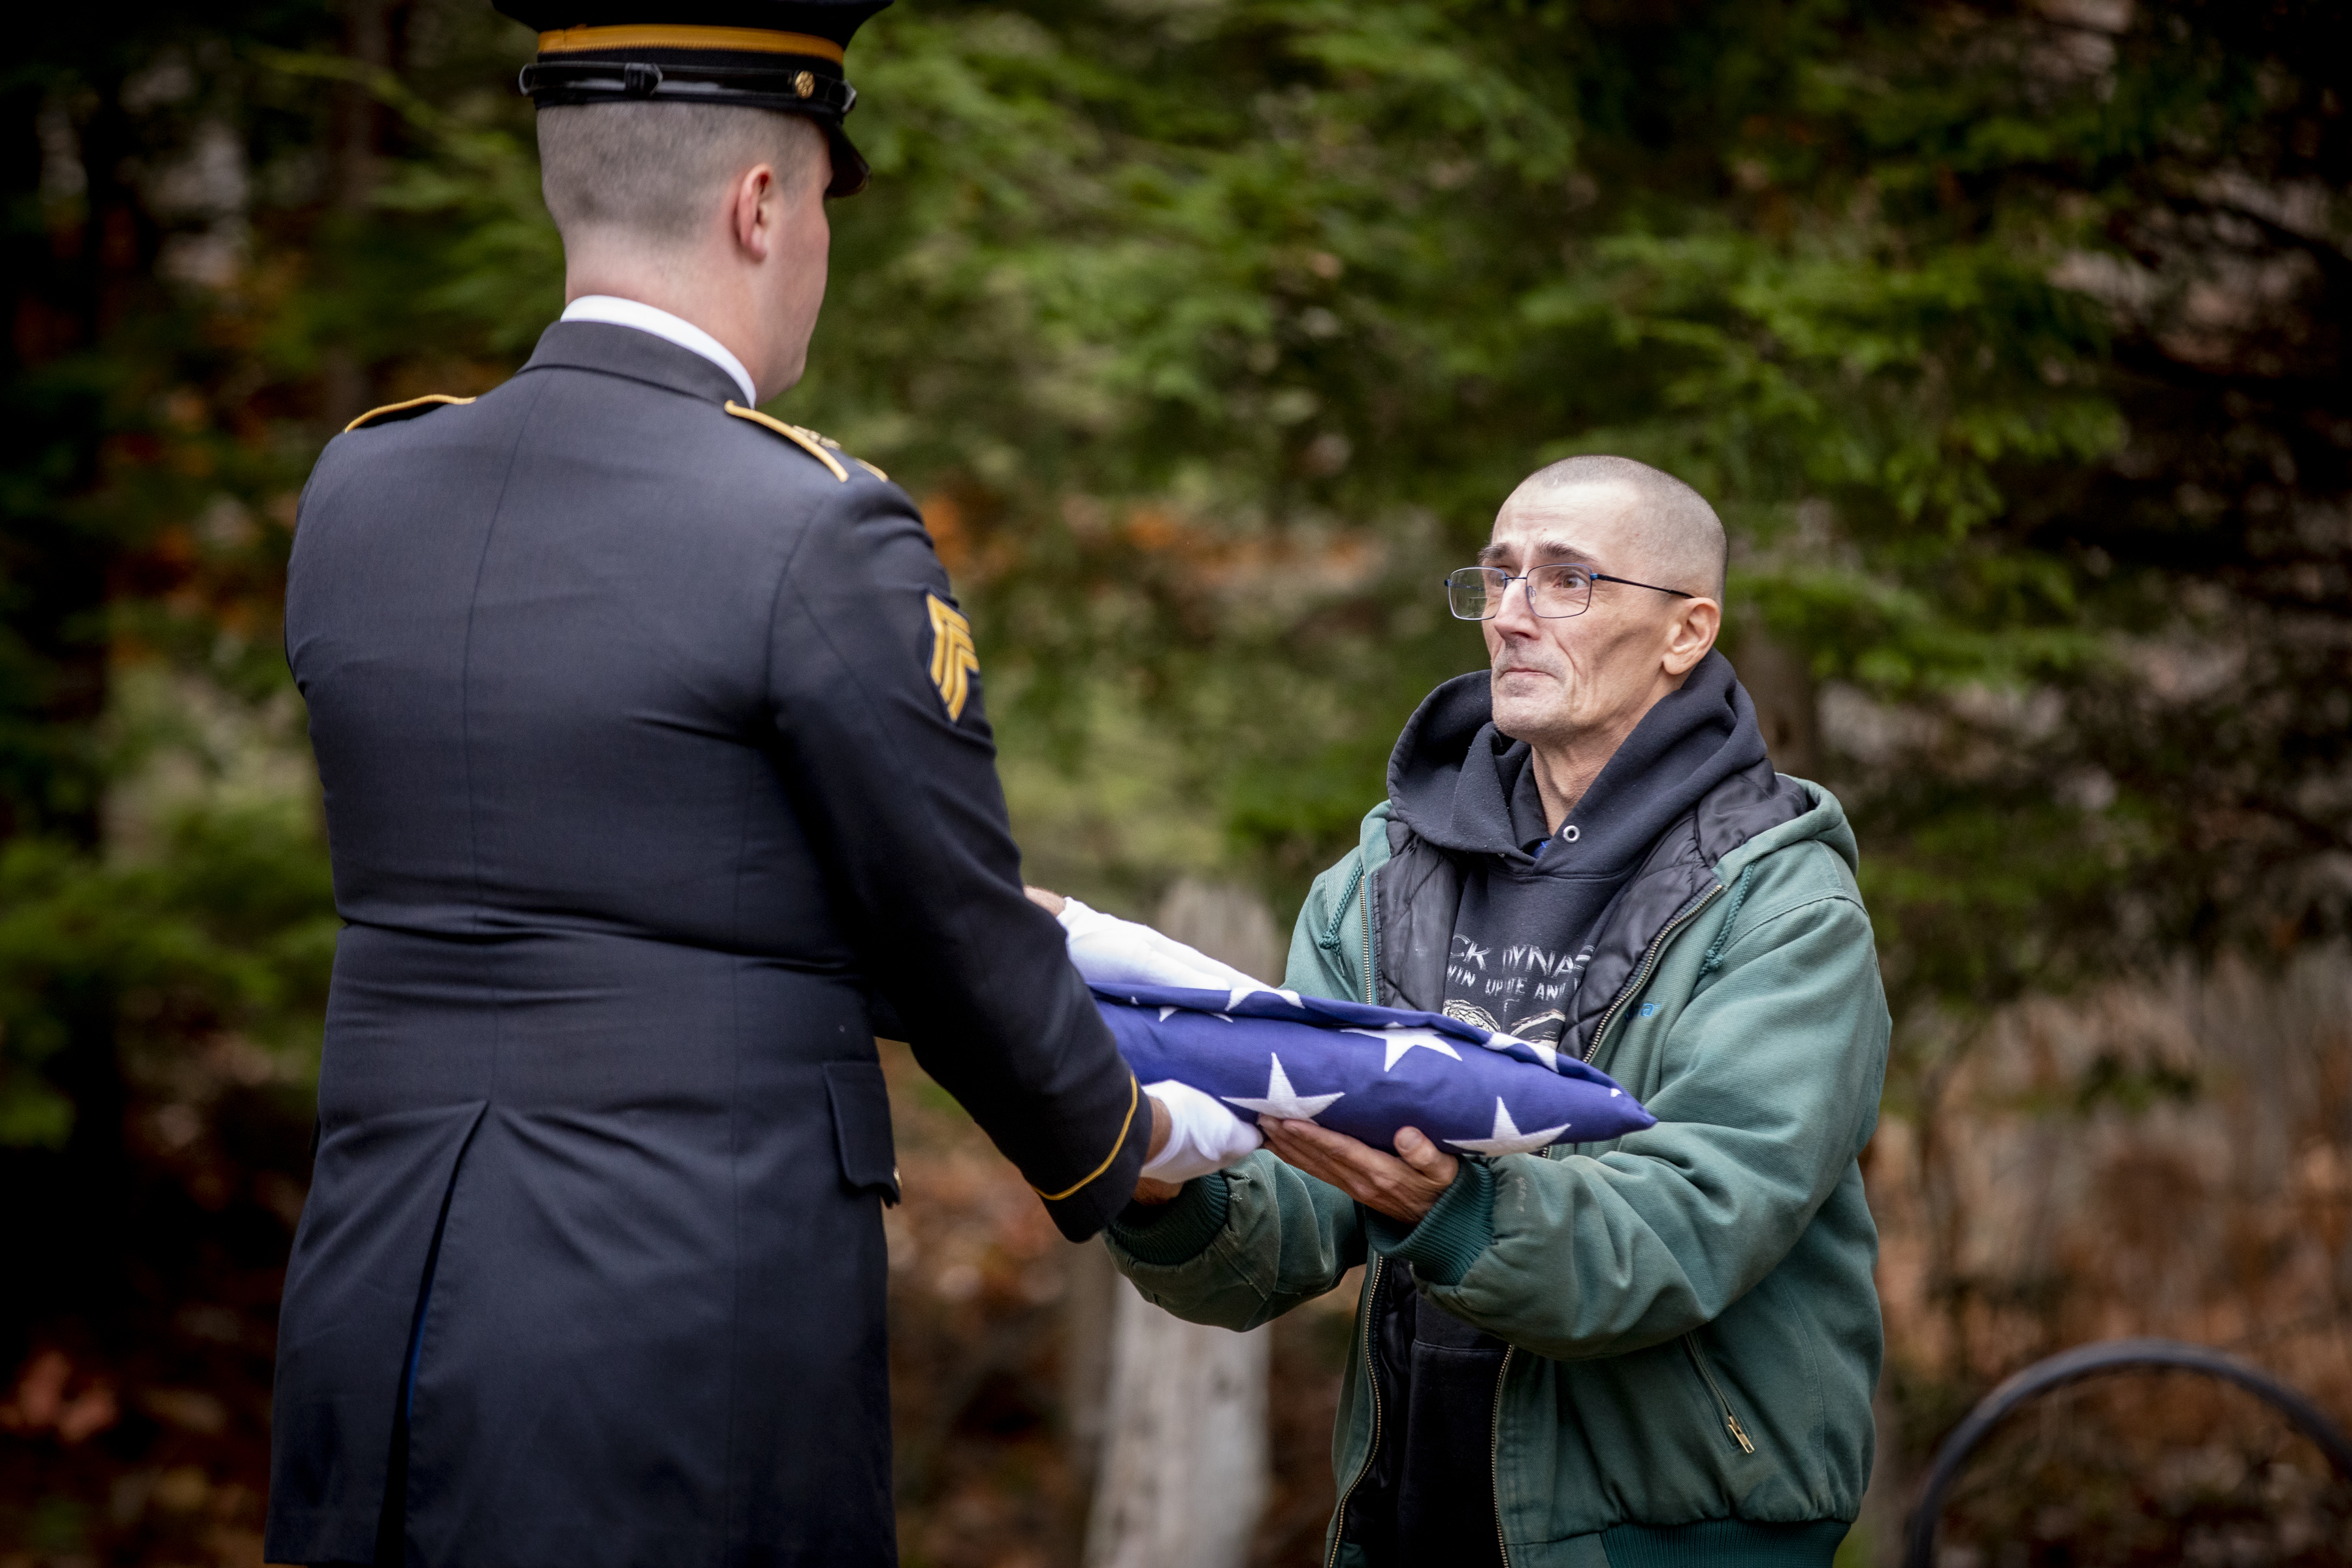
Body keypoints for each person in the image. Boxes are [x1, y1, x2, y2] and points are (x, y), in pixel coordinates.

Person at [263, 6, 1207, 1564]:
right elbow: (949, 933)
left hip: (373, 1296)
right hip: (678, 1327)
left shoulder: (359, 488)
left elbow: (611, 843)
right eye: (825, 201)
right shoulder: (812, 530)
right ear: (761, 205)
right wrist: (1141, 1143)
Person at [1099, 456, 1892, 1566]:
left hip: (1673, 1530)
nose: (1512, 617)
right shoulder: (1383, 881)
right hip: (1409, 1510)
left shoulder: (1778, 903)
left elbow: (1694, 1221)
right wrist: (1155, 1175)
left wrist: (1462, 1212)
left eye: (1567, 581)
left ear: (1686, 631)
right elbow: (1285, 1211)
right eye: (1499, 577)